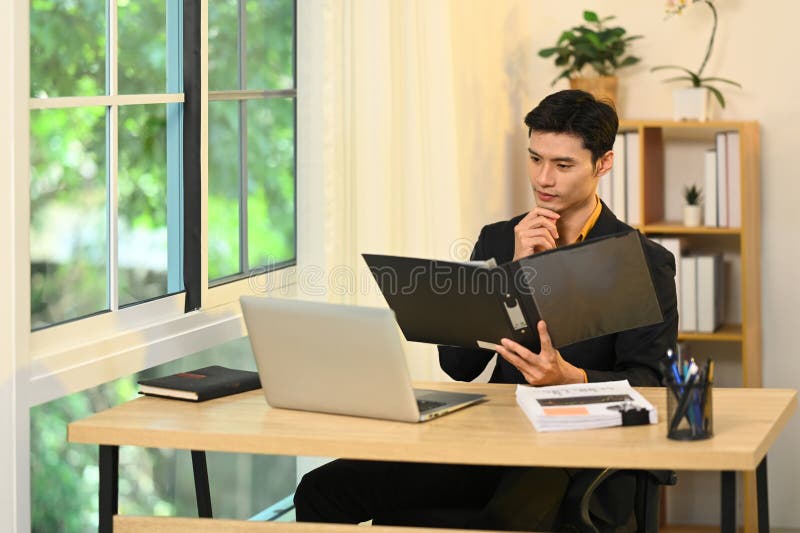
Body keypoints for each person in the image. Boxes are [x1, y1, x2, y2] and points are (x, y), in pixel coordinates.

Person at [293, 90, 678, 531]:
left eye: (563, 165)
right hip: (491, 441)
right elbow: (458, 365)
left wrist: (571, 379)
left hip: (577, 454)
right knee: (323, 488)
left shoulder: (643, 261)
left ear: (603, 164)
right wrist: (508, 275)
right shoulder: (498, 240)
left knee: (504, 520)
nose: (543, 178)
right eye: (535, 159)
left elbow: (655, 386)